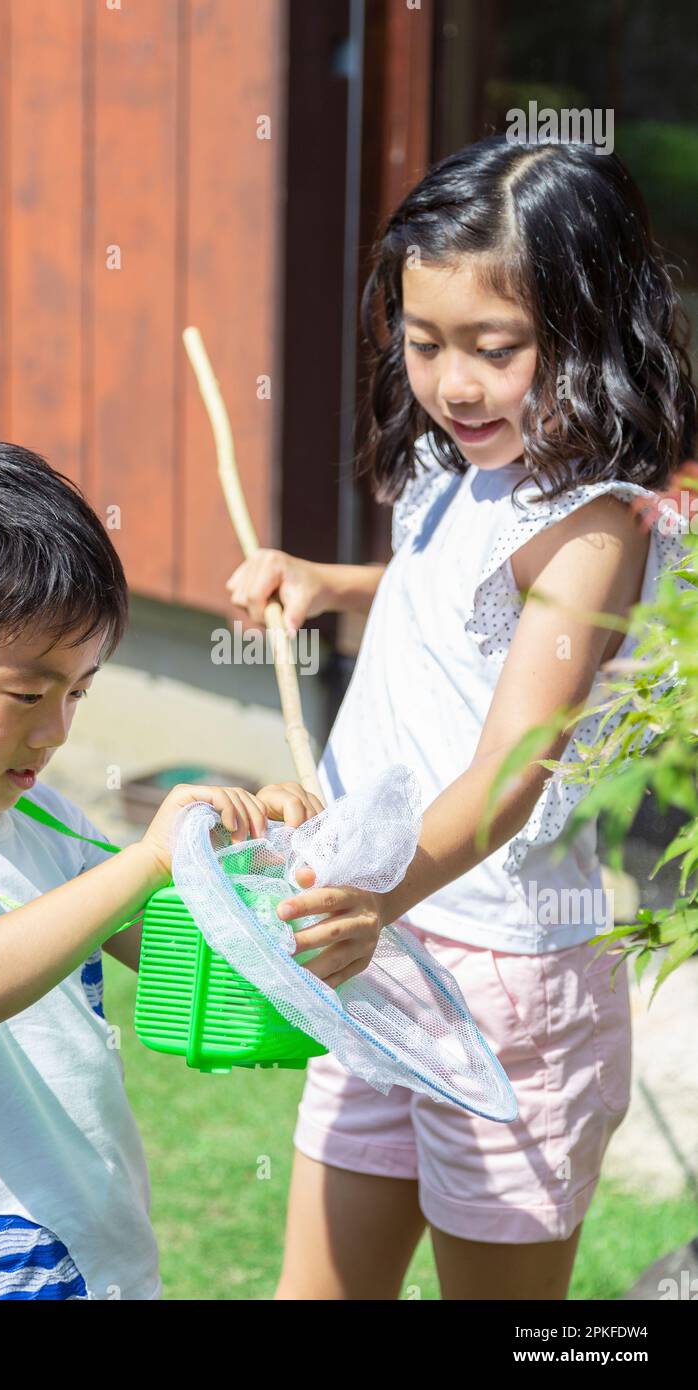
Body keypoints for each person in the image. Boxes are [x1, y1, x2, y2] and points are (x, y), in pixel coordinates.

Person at [226, 135, 696, 1300]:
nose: (451, 384)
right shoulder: (462, 463)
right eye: (423, 342)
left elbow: (510, 770)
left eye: (495, 349)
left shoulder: (592, 526)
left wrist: (377, 894)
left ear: (590, 331)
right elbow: (464, 600)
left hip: (500, 978)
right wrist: (331, 584)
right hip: (388, 949)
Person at [0, 439, 324, 1300]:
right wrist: (145, 862)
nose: (56, 730)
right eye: (28, 695)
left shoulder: (45, 819)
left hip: (104, 1262)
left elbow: (184, 948)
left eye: (79, 694)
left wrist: (257, 863)